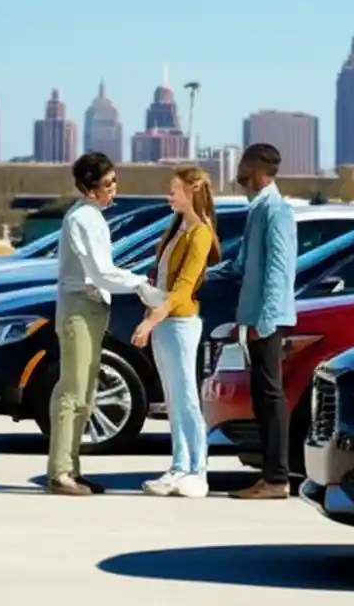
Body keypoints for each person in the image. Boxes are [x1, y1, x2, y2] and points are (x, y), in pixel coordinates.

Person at [48, 153, 163, 496]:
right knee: (73, 390)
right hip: (79, 307)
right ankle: (60, 472)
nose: (114, 189)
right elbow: (99, 271)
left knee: (86, 391)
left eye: (114, 181)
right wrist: (141, 285)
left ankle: (71, 468)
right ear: (88, 186)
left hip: (93, 307)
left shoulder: (94, 217)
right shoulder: (82, 218)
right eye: (107, 184)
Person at [131, 165, 222, 498]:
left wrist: (150, 321)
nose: (170, 195)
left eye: (175, 189)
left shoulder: (199, 232)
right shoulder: (176, 228)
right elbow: (165, 278)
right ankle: (179, 465)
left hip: (181, 323)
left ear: (193, 188)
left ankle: (197, 471)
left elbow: (184, 288)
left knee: (186, 397)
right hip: (165, 322)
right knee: (172, 397)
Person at [228, 143, 298, 500]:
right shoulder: (258, 210)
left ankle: (276, 479)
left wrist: (266, 321)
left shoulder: (276, 211)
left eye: (242, 173)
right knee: (261, 396)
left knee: (271, 397)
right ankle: (268, 476)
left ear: (256, 172)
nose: (240, 181)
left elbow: (279, 272)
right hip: (253, 317)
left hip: (267, 321)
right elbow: (243, 265)